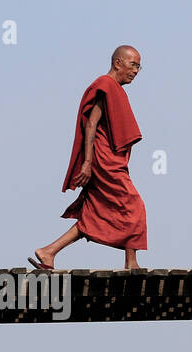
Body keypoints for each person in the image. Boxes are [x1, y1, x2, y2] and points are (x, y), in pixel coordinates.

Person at [31, 45, 148, 271]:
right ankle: (131, 262)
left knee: (96, 213)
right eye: (133, 65)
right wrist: (86, 163)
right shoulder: (105, 85)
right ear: (118, 63)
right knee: (134, 205)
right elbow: (91, 124)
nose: (136, 71)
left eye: (138, 66)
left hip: (110, 160)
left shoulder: (114, 88)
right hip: (103, 161)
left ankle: (49, 251)